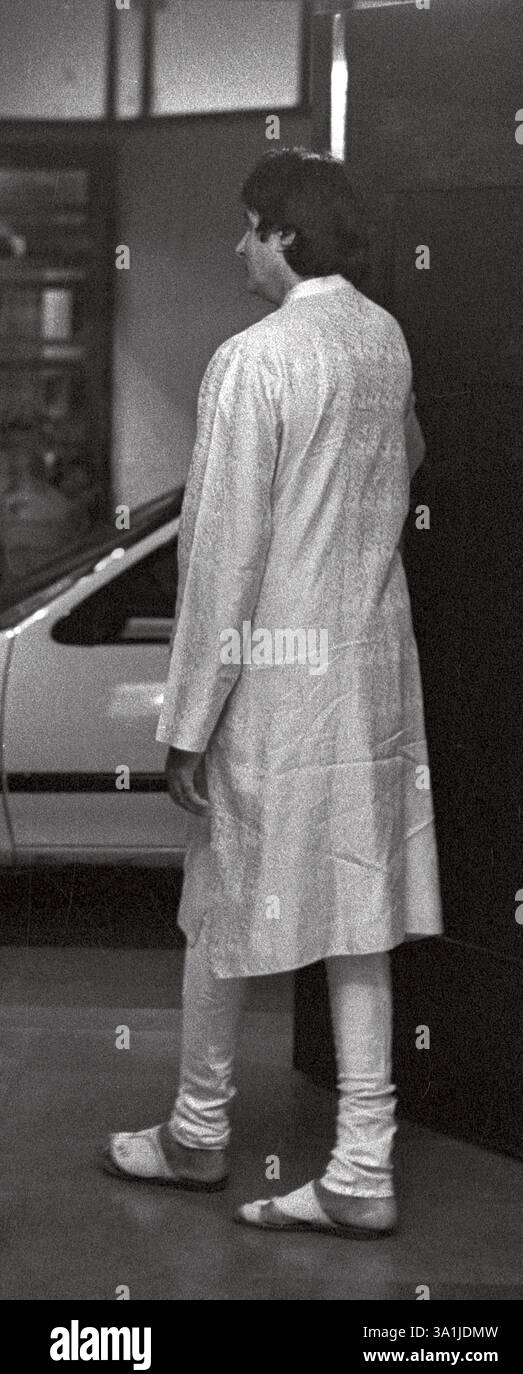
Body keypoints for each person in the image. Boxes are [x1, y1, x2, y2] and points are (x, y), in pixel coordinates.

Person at [102, 149, 443, 1239]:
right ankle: (359, 1165)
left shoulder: (254, 357)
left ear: (284, 236)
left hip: (274, 680)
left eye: (249, 228)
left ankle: (200, 1130)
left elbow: (221, 555)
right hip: (373, 673)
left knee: (217, 904)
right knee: (359, 914)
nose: (238, 247)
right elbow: (410, 456)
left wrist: (185, 724)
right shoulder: (381, 338)